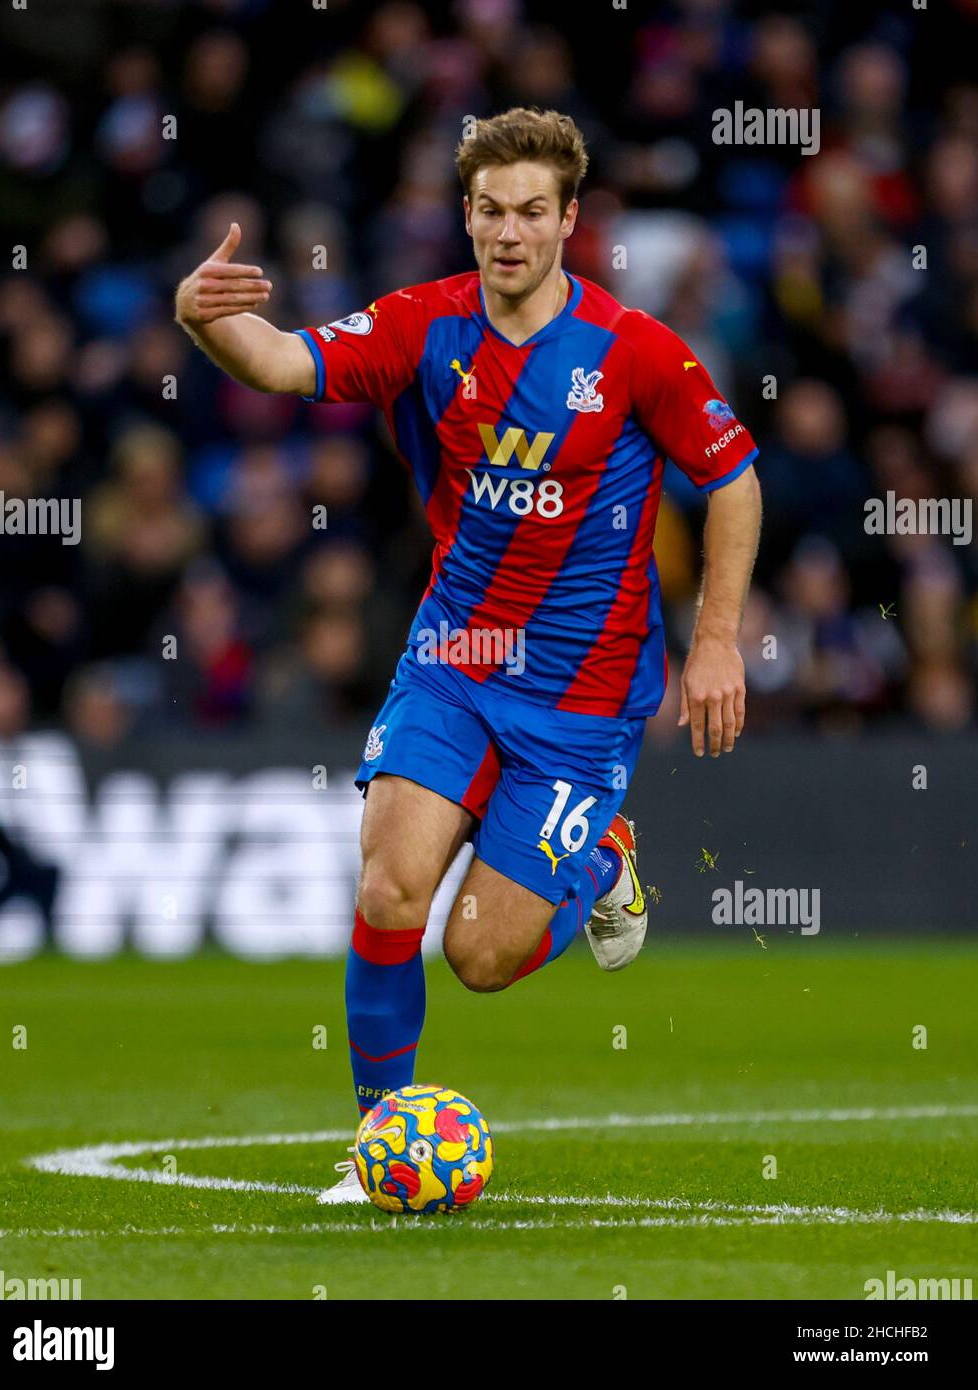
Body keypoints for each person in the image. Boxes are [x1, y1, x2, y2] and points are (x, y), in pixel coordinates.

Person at [174, 107, 762, 1204]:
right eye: (489, 211)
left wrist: (717, 641)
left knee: (480, 957)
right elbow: (282, 360)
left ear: (567, 220)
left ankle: (600, 864)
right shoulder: (421, 324)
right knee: (390, 885)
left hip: (582, 705)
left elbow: (731, 479)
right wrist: (200, 320)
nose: (508, 233)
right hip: (454, 659)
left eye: (531, 212)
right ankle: (374, 1145)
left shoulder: (636, 350)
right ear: (467, 217)